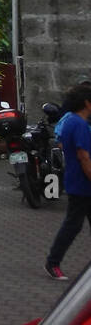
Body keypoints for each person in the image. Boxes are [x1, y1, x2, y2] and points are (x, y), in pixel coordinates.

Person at [45, 84, 91, 280]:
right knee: (73, 225)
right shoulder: (79, 124)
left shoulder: (70, 121)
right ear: (87, 103)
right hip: (82, 184)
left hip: (76, 181)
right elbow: (84, 157)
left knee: (75, 224)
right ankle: (53, 262)